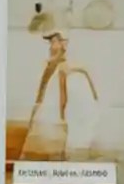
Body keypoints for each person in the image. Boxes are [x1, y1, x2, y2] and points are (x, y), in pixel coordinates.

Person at [20, 31, 100, 162]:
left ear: (63, 44)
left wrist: (62, 120)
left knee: (51, 156)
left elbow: (63, 97)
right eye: (51, 43)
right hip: (45, 120)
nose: (51, 47)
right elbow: (42, 94)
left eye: (54, 42)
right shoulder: (52, 65)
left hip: (53, 122)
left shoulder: (64, 67)